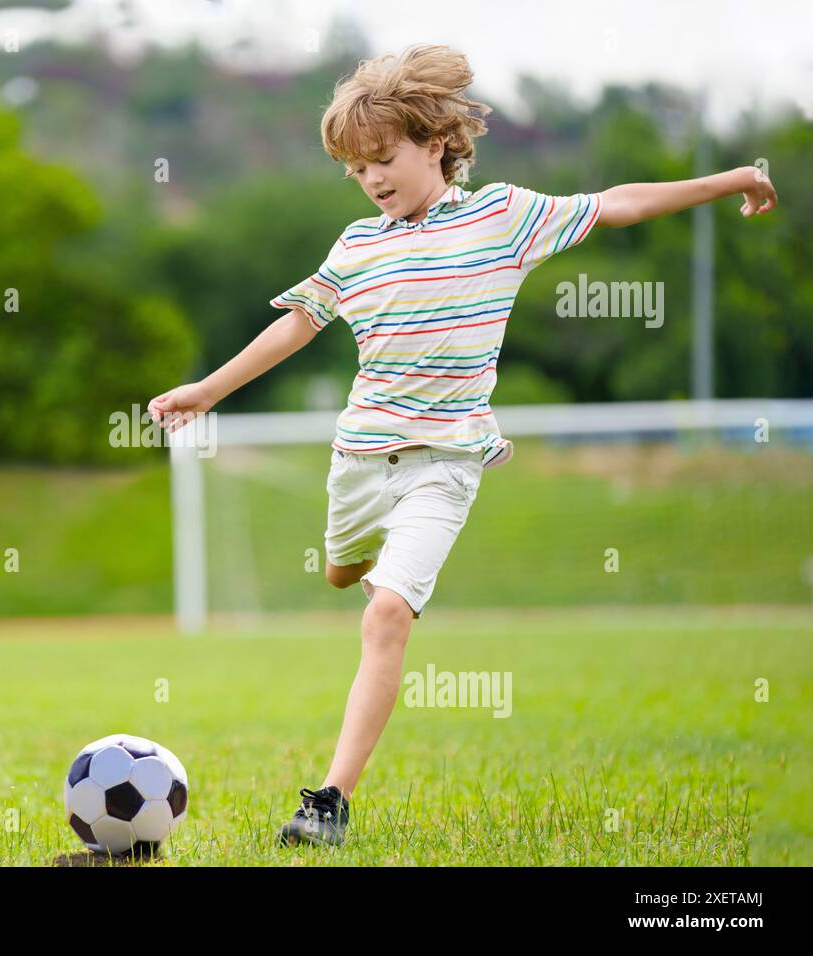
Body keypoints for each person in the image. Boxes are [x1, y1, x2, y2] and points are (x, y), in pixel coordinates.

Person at [146, 44, 778, 848]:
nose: (373, 179)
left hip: (446, 466)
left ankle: (329, 802)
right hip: (359, 462)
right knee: (343, 570)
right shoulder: (357, 246)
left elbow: (617, 201)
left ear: (437, 142)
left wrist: (732, 179)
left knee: (384, 615)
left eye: (384, 159)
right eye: (356, 169)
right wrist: (207, 390)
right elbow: (297, 325)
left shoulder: (505, 217)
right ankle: (349, 559)